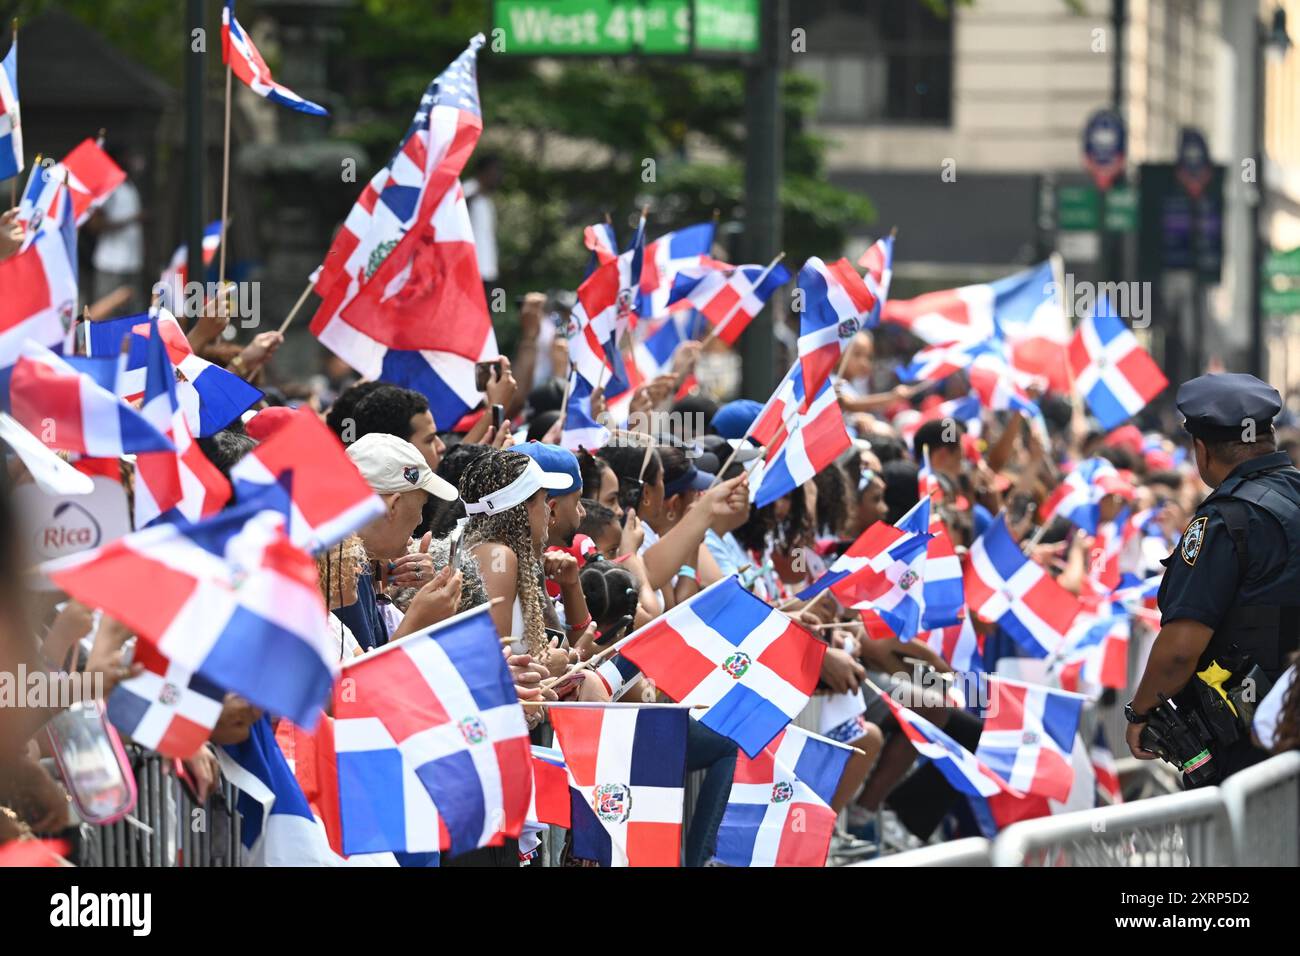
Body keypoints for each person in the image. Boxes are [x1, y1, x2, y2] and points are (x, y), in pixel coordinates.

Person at [1127, 373, 1300, 783]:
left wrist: (1141, 711)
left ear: (1202, 450)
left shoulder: (1224, 521)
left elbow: (1180, 650)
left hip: (1248, 747)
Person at [339, 432, 461, 649]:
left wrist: (383, 582)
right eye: (421, 506)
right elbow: (363, 679)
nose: (420, 520)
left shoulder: (353, 560)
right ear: (393, 505)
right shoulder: (340, 571)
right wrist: (419, 620)